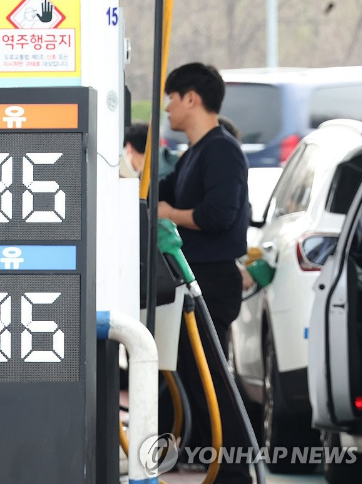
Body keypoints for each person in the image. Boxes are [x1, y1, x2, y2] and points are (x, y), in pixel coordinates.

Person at [158, 63, 251, 484]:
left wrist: (168, 213)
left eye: (171, 99)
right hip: (192, 280)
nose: (167, 108)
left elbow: (218, 215)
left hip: (213, 280)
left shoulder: (221, 151)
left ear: (191, 98)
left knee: (211, 375)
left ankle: (235, 467)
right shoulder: (194, 153)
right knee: (192, 374)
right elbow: (162, 191)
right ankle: (216, 462)